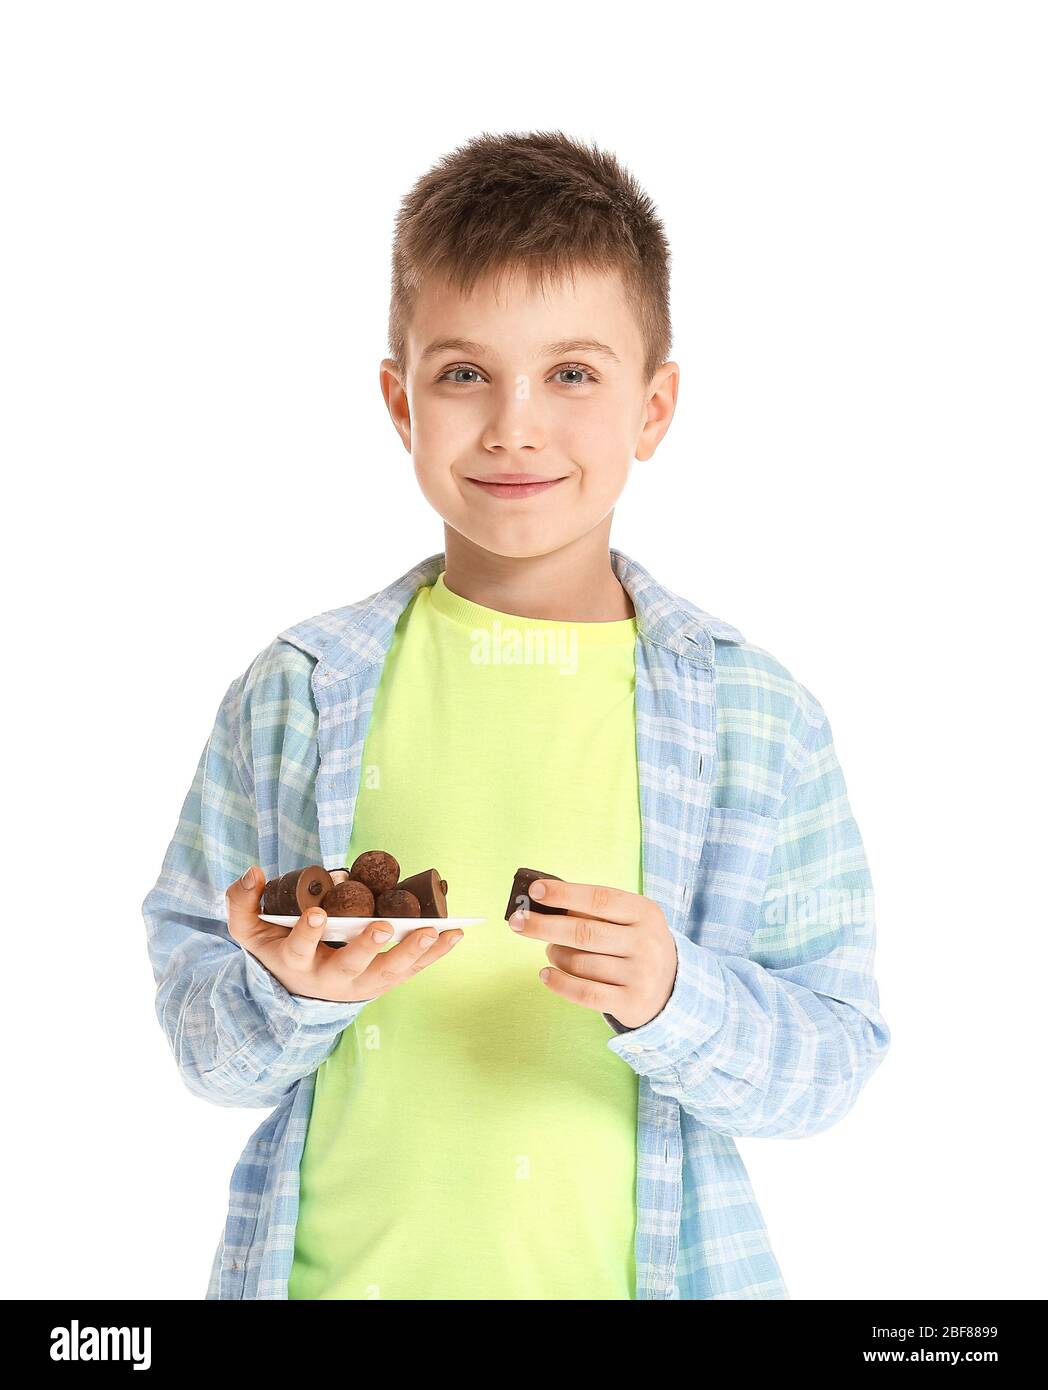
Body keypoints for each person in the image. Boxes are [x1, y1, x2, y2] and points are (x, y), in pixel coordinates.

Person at [141, 130, 890, 1301]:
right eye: (463, 373)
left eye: (573, 374)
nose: (512, 425)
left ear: (654, 408)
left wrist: (672, 995)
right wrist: (288, 989)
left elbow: (835, 1059)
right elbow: (201, 1038)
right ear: (400, 402)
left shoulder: (760, 718)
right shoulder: (296, 690)